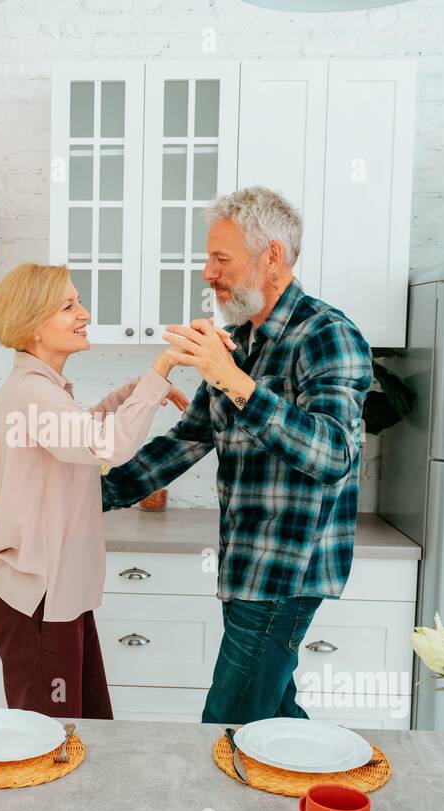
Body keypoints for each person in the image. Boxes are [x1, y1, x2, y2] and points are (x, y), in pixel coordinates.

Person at [102, 186, 374, 726]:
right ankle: (326, 801)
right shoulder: (238, 341)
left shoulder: (327, 335)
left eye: (221, 258)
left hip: (286, 575)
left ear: (272, 256)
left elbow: (333, 453)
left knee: (225, 727)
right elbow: (187, 439)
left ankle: (236, 810)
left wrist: (234, 382)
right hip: (246, 566)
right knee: (273, 718)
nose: (207, 272)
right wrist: (89, 496)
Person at [0, 263, 192, 719]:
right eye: (68, 305)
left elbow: (84, 430)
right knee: (53, 743)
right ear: (32, 325)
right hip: (40, 604)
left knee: (88, 731)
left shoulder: (43, 390)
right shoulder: (30, 393)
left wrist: (137, 390)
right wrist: (162, 367)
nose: (85, 312)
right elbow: (108, 445)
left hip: (62, 598)